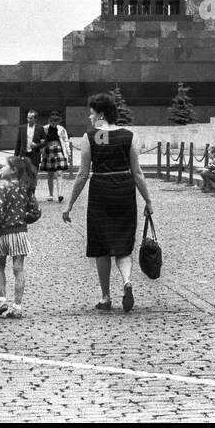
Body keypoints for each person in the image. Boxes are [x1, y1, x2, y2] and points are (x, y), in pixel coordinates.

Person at [62, 92, 154, 313]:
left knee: (102, 247)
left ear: (101, 114)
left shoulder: (91, 137)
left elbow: (83, 174)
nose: (89, 118)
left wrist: (70, 204)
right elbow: (138, 173)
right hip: (124, 191)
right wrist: (148, 201)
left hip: (100, 192)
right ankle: (126, 282)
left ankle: (105, 297)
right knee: (123, 244)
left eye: (92, 114)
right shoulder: (129, 136)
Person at [0, 156, 39, 319]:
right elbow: (35, 212)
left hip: (3, 234)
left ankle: (2, 300)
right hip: (20, 233)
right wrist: (24, 219)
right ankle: (17, 306)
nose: (1, 169)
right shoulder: (27, 188)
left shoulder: (4, 189)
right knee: (19, 269)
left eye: (3, 166)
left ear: (13, 170)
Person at [38, 112, 71, 203]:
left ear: (58, 121)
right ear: (50, 120)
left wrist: (68, 153)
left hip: (59, 151)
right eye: (52, 120)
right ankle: (51, 194)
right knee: (50, 174)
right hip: (48, 151)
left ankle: (59, 194)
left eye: (56, 121)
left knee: (59, 172)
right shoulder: (45, 128)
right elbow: (41, 140)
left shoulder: (61, 129)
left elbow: (65, 140)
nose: (54, 122)